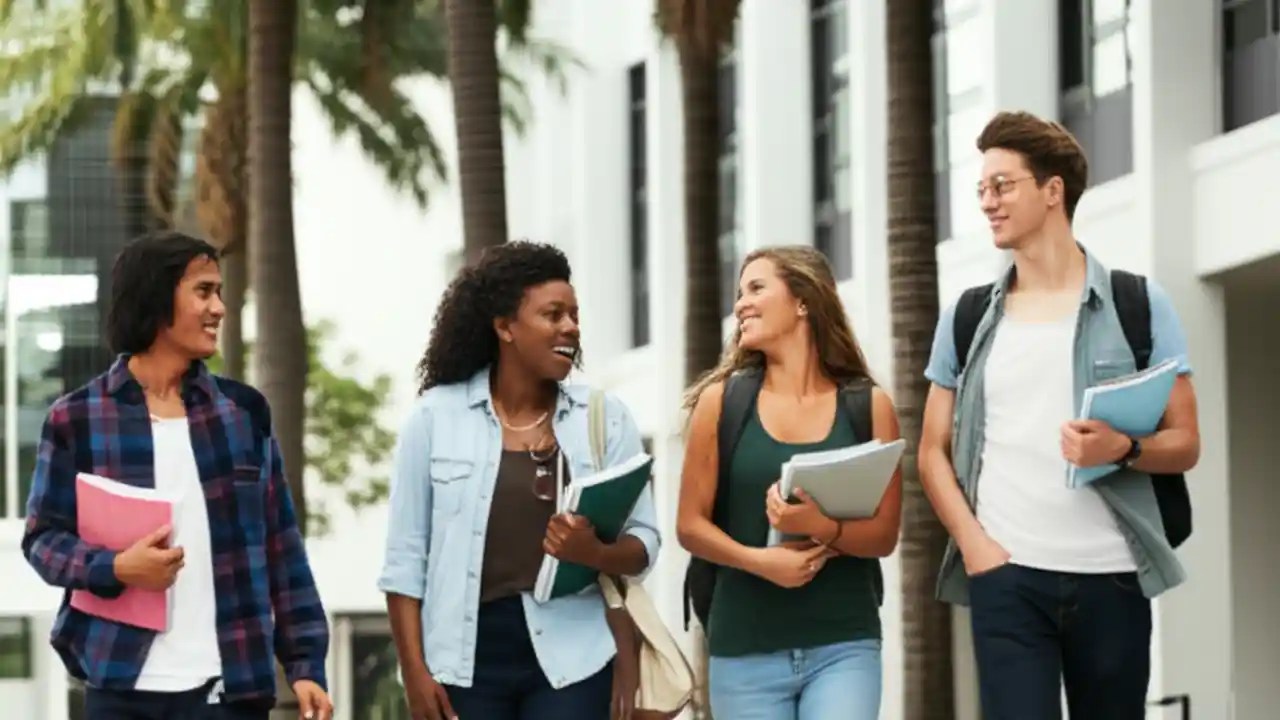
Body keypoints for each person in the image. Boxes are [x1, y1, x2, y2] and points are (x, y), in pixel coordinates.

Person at [918, 111, 1201, 719]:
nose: (987, 202)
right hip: (1008, 577)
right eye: (982, 189)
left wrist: (1123, 449)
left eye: (1002, 186)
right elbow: (931, 450)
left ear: (1053, 191)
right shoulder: (967, 317)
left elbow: (1185, 442)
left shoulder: (1138, 304)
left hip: (1113, 577)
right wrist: (975, 547)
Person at [21, 231, 332, 720]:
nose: (219, 308)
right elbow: (42, 540)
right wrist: (116, 567)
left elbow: (281, 547)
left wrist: (306, 663)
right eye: (203, 291)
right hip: (119, 686)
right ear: (155, 297)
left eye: (219, 292)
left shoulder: (243, 413)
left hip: (227, 689)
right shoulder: (76, 417)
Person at [378, 241, 661, 720]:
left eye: (574, 315)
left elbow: (645, 542)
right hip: (461, 661)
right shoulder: (434, 419)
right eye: (553, 315)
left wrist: (595, 553)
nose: (570, 327)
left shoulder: (604, 418)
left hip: (573, 657)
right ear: (505, 326)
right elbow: (405, 561)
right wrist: (415, 672)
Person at [676, 246, 902, 720]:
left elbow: (883, 536)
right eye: (740, 293)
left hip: (845, 645)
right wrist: (761, 562)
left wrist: (821, 526)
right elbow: (690, 526)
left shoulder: (869, 405)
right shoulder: (721, 402)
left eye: (756, 288)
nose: (741, 304)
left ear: (803, 301)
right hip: (744, 651)